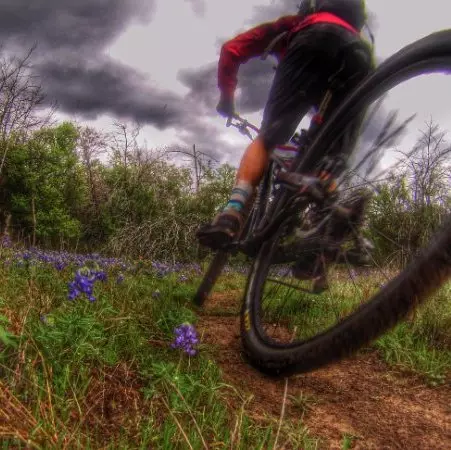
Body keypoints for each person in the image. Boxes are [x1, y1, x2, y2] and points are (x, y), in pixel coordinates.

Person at [197, 0, 375, 259]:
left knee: (268, 139)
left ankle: (232, 212)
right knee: (331, 155)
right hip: (359, 55)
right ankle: (322, 229)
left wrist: (227, 99)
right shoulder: (353, 28)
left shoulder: (292, 26)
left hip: (316, 38)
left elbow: (231, 50)